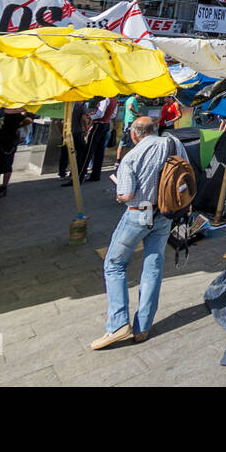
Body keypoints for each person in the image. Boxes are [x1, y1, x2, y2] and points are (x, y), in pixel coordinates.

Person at [91, 117, 175, 350]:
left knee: (114, 264)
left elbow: (126, 195)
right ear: (155, 129)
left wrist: (118, 193)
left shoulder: (131, 156)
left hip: (139, 213)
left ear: (134, 135)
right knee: (153, 265)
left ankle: (118, 323)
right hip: (165, 212)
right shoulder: (173, 144)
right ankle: (143, 326)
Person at [0, 109, 31, 199]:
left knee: (6, 165)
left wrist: (19, 127)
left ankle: (3, 187)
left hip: (9, 143)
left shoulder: (13, 112)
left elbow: (29, 120)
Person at [81, 96, 116, 182]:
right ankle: (96, 175)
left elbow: (100, 114)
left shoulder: (104, 100)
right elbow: (113, 115)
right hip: (106, 125)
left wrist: (90, 116)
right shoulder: (114, 100)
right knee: (99, 152)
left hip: (99, 125)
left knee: (89, 150)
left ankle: (80, 175)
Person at [57, 101, 89, 187]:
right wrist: (86, 128)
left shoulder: (64, 104)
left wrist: (62, 133)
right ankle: (75, 172)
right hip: (77, 133)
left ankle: (62, 174)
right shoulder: (81, 105)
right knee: (81, 153)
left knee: (64, 153)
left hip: (66, 133)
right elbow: (84, 118)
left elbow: (57, 121)